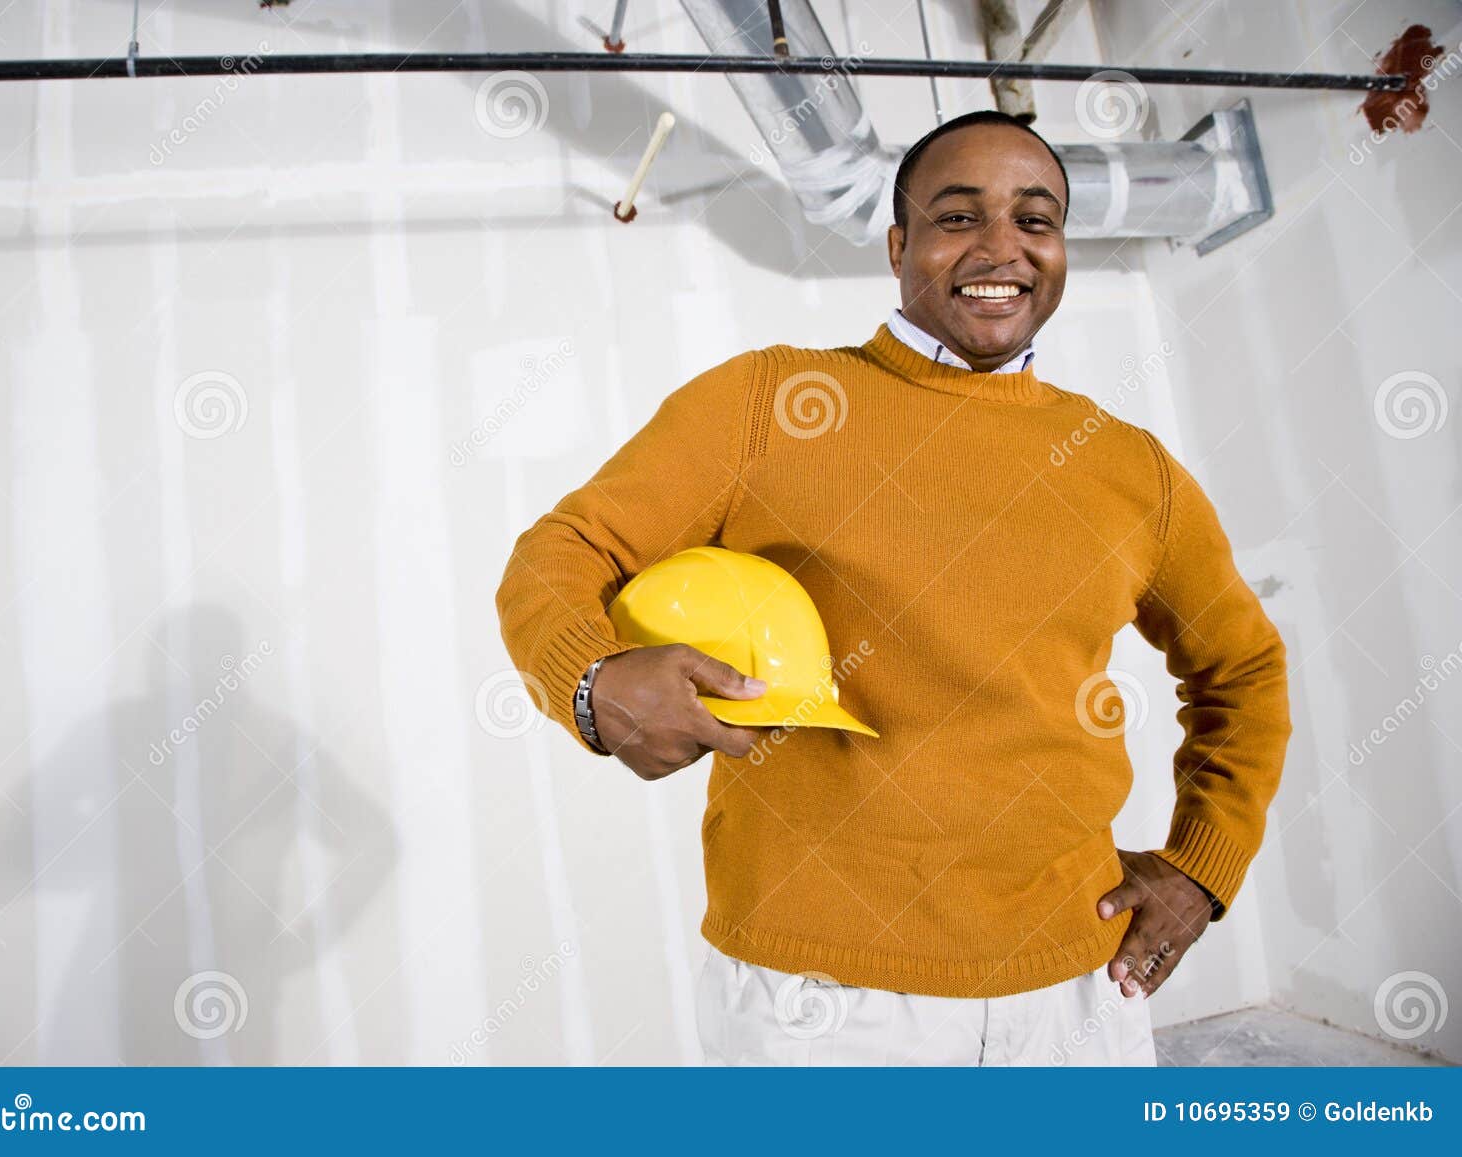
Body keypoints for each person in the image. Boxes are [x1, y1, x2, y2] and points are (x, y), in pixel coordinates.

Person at [494, 110, 1292, 1066]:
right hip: (821, 1003)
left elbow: (1242, 670)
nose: (1002, 247)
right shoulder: (765, 403)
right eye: (959, 218)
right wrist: (592, 682)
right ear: (898, 244)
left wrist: (1202, 870)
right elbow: (561, 552)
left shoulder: (1132, 469)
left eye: (1035, 222)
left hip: (1078, 986)